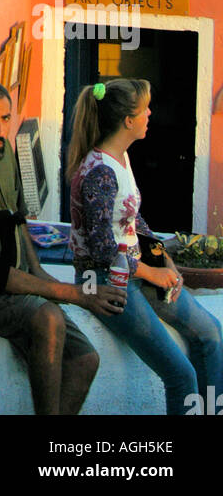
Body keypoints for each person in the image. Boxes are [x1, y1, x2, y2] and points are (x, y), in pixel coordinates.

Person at [0, 78, 118, 416]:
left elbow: (17, 218)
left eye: (5, 118)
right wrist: (73, 294)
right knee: (47, 316)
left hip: (7, 275)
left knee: (85, 359)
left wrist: (39, 272)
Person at [68, 78, 223, 416]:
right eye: (145, 109)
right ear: (128, 120)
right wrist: (152, 272)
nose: (150, 114)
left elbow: (133, 220)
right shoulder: (100, 173)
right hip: (107, 283)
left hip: (137, 272)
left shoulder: (120, 157)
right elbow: (102, 251)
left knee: (211, 333)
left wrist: (165, 260)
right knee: (180, 374)